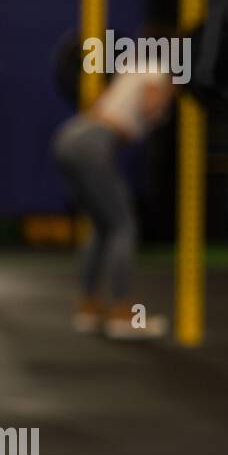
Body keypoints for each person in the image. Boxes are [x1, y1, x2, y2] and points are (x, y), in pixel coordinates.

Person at [52, 57, 178, 340]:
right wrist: (167, 98)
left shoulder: (134, 71)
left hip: (70, 136)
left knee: (102, 225)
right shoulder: (158, 74)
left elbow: (102, 107)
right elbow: (149, 106)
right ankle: (122, 314)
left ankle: (88, 309)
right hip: (93, 143)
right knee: (124, 226)